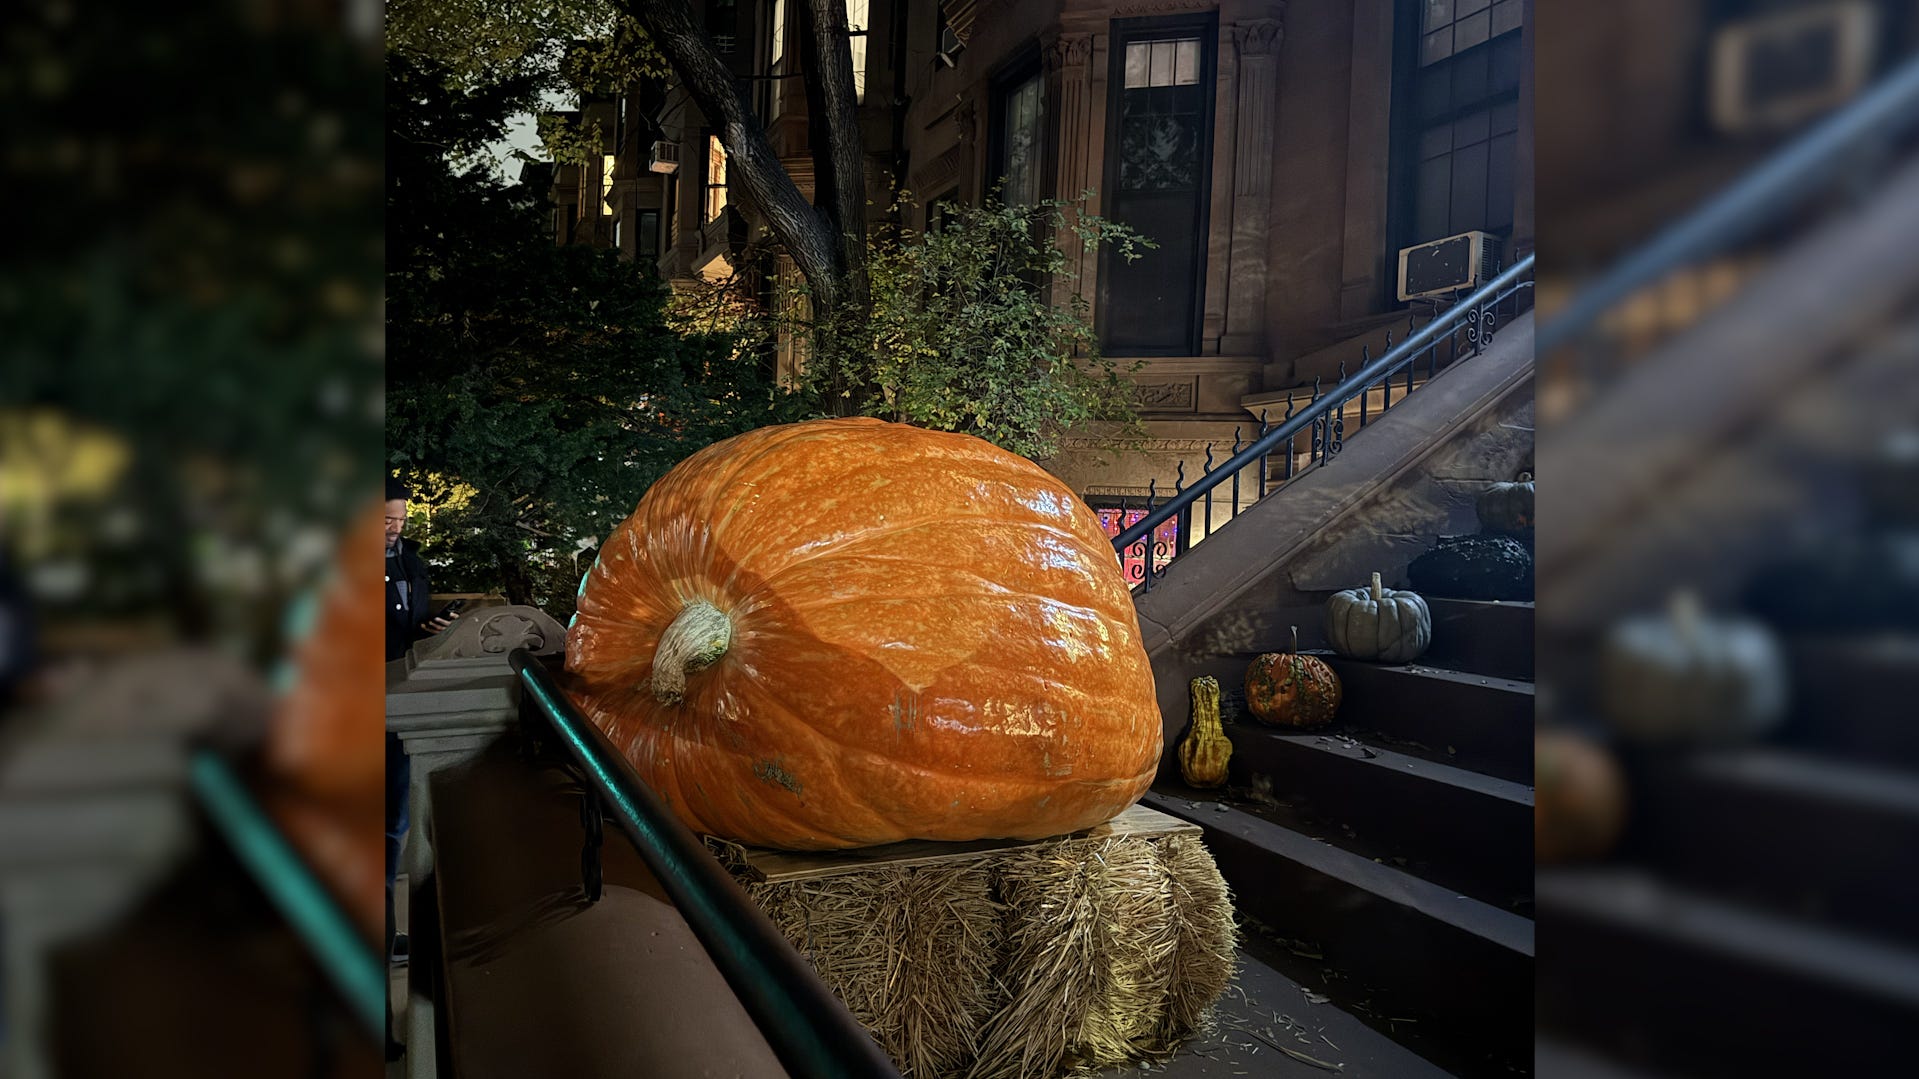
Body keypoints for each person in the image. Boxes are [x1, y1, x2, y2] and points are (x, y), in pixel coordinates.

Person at [383, 477, 455, 1057]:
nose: (395, 528)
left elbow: (408, 625)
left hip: (399, 708)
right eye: (385, 519)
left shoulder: (410, 561)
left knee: (395, 827)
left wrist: (431, 626)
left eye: (401, 519)